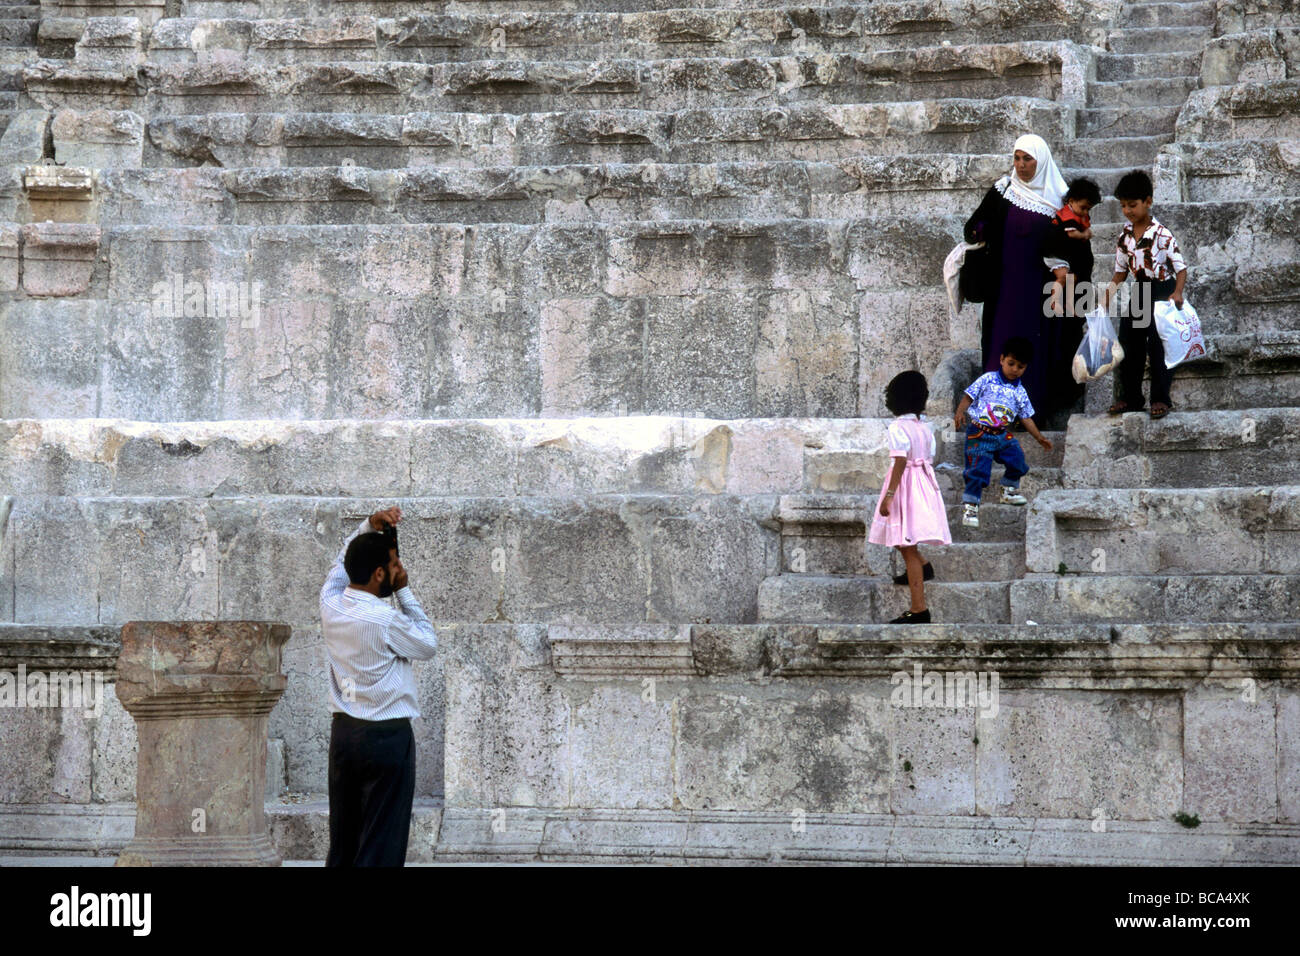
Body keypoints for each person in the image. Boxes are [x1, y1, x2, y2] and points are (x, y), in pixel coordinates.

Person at [320, 505, 437, 867]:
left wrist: (369, 525)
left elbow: (343, 560)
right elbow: (427, 643)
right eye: (394, 565)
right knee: (381, 842)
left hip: (345, 735)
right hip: (386, 739)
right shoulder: (386, 619)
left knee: (345, 840)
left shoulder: (330, 601)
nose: (399, 570)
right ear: (378, 574)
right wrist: (405, 592)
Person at [963, 134, 1074, 422]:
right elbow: (974, 223)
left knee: (1035, 348)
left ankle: (1030, 415)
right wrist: (981, 230)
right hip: (1004, 288)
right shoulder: (1004, 189)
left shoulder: (1060, 198)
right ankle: (993, 415)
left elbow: (1071, 244)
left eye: (1028, 159)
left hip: (1039, 290)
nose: (1021, 165)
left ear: (1042, 161)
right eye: (1017, 158)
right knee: (1001, 344)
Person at [1102, 170, 1189, 420]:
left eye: (1133, 205)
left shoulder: (1162, 234)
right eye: (1123, 206)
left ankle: (1160, 398)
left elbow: (1181, 268)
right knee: (1129, 343)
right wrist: (1104, 300)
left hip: (1162, 291)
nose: (1128, 210)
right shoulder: (1124, 238)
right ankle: (1131, 398)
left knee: (1159, 345)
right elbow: (1119, 274)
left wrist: (1177, 292)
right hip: (1140, 291)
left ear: (1148, 202)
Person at [869, 370, 951, 624]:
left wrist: (890, 495)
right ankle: (923, 566)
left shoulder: (897, 427)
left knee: (906, 544)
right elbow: (929, 457)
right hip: (923, 484)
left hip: (905, 485)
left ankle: (918, 609)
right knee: (898, 534)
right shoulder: (924, 428)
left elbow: (900, 462)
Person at [952, 337, 1054, 528]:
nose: (1015, 369)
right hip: (980, 433)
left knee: (1017, 460)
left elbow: (1025, 417)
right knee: (977, 470)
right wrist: (959, 412)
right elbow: (969, 395)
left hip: (1001, 434)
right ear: (1001, 359)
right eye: (1011, 363)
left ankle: (1008, 490)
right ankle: (971, 507)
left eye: (1020, 366)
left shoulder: (1020, 392)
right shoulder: (988, 379)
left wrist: (1039, 437)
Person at [1046, 177, 1102, 415]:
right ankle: (1067, 390)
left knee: (1076, 332)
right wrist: (1085, 235)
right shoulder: (1066, 222)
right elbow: (1066, 245)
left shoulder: (1078, 217)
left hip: (1080, 286)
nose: (1085, 212)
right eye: (1083, 207)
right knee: (1068, 337)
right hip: (1070, 286)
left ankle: (1073, 385)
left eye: (1088, 209)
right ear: (1071, 201)